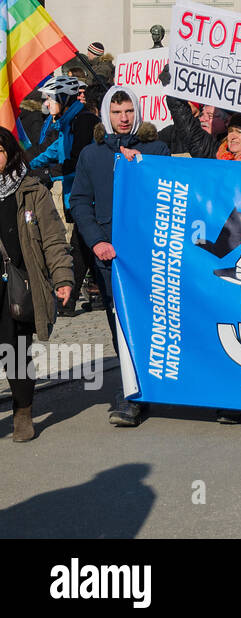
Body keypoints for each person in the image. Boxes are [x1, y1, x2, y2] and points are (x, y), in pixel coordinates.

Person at [68, 86, 171, 427]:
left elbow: (170, 191)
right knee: (120, 323)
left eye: (128, 111)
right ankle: (131, 392)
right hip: (109, 254)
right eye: (116, 113)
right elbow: (79, 201)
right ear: (105, 115)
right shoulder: (91, 154)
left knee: (157, 317)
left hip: (151, 252)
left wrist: (141, 167)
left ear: (137, 112)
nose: (123, 119)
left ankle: (161, 383)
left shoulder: (155, 148)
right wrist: (97, 241)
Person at [0, 127, 74, 442]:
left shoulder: (32, 190)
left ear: (10, 153)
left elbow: (54, 239)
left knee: (15, 351)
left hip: (18, 282)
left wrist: (63, 278)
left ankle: (22, 412)